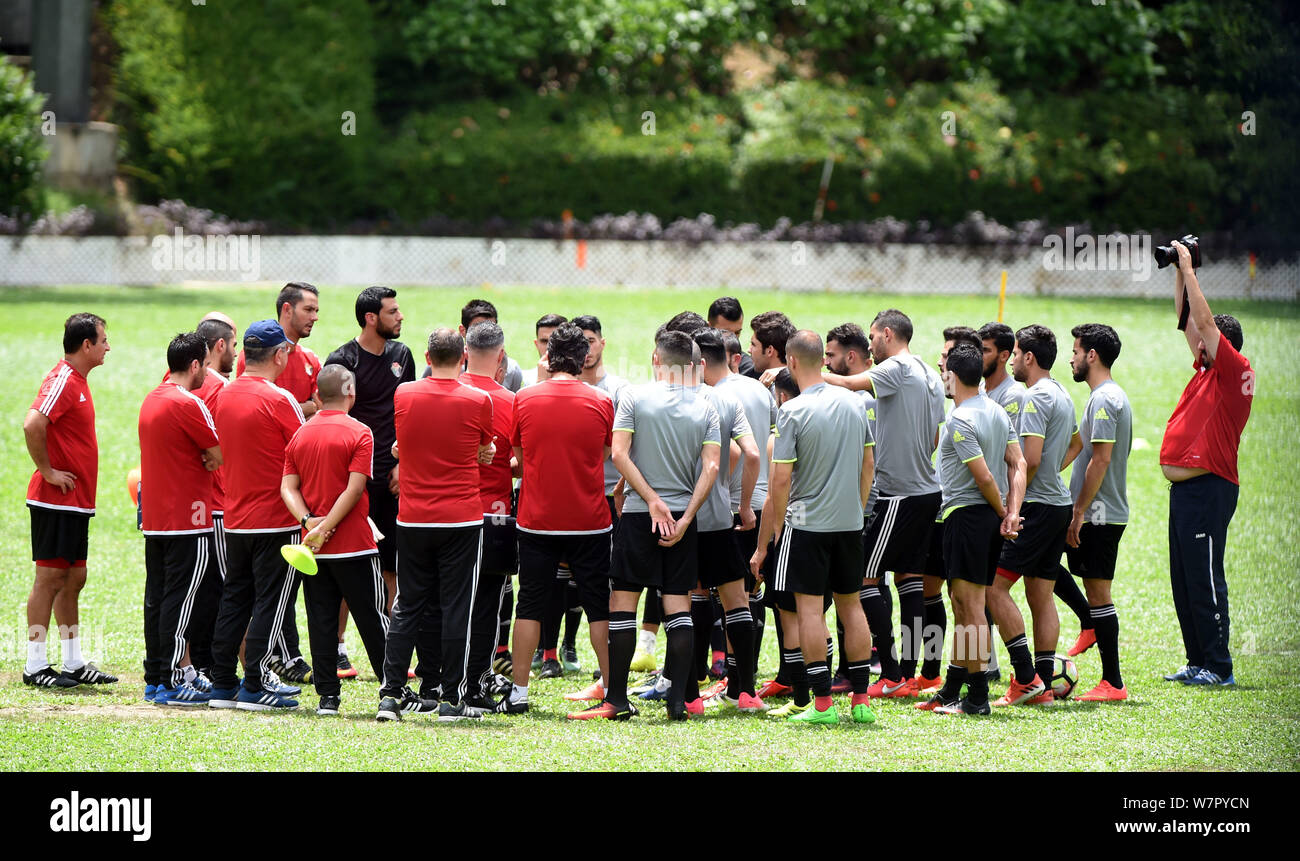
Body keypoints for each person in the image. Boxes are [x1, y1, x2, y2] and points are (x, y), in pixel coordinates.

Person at [589, 329, 721, 721]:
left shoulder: (633, 396)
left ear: (656, 359)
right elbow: (712, 466)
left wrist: (650, 500)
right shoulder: (706, 405)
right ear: (692, 363)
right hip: (682, 520)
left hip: (637, 517)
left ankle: (616, 700)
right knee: (678, 606)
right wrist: (686, 517)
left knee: (623, 605)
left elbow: (619, 454)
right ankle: (678, 703)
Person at [758, 331, 877, 725]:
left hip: (806, 525)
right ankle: (861, 701)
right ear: (822, 361)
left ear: (790, 362)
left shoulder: (791, 411)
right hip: (848, 523)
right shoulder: (855, 403)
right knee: (851, 604)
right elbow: (868, 465)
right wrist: (856, 510)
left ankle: (822, 704)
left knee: (810, 611)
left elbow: (780, 479)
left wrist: (776, 527)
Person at [825, 309, 945, 699]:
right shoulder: (928, 372)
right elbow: (934, 438)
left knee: (862, 579)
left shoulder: (898, 368)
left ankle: (891, 671)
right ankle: (910, 674)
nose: (871, 344)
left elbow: (847, 382)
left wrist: (805, 373)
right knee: (910, 581)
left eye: (874, 337)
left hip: (899, 494)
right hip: (927, 491)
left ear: (888, 334)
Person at [498, 322, 617, 715]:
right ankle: (610, 687)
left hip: (537, 520)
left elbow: (520, 455)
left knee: (529, 604)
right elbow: (603, 455)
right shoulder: (601, 402)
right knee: (599, 605)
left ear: (548, 357)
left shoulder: (524, 398)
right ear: (584, 357)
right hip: (590, 520)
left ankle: (519, 691)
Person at [379, 328, 494, 722]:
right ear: (463, 355)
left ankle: (390, 695)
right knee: (457, 608)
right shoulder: (479, 399)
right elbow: (485, 450)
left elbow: (404, 440)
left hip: (412, 517)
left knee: (407, 605)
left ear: (427, 355)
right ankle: (451, 699)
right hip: (461, 518)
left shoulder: (404, 393)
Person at [1160, 240, 1252, 687]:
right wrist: (1181, 268)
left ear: (1224, 345)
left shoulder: (1233, 371)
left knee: (1206, 579)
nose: (1196, 340)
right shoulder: (1204, 370)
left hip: (1210, 488)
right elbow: (1186, 320)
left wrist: (1192, 273)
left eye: (1206, 338)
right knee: (1185, 580)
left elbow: (1200, 319)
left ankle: (1219, 667)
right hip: (1186, 491)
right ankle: (1198, 661)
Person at [919, 343, 1026, 715]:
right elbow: (1018, 463)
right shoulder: (996, 411)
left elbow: (983, 476)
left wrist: (1005, 513)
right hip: (980, 519)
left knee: (971, 608)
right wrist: (1011, 510)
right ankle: (952, 688)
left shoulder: (960, 419)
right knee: (964, 605)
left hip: (968, 517)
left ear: (952, 375)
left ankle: (977, 696)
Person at [281, 364, 391, 716]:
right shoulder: (361, 432)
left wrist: (308, 522)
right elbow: (355, 487)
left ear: (317, 396)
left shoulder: (300, 434)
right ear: (351, 393)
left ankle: (328, 697)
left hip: (312, 550)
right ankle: (391, 690)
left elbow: (288, 486)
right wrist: (327, 525)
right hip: (354, 545)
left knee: (321, 620)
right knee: (372, 619)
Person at [207, 320, 306, 711]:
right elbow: (307, 451)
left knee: (235, 598)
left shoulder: (225, 395)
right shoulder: (280, 400)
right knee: (271, 602)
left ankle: (223, 683)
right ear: (279, 354)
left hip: (235, 517)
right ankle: (256, 683)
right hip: (276, 519)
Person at [324, 286, 415, 679]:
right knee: (350, 565)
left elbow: (406, 412)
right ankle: (339, 649)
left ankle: (394, 650)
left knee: (393, 566)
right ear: (370, 319)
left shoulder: (402, 356)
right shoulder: (343, 360)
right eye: (393, 312)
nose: (400, 318)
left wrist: (402, 462)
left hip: (393, 479)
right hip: (354, 482)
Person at [22, 313, 117, 689]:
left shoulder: (79, 381)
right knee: (49, 578)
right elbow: (33, 423)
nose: (108, 346)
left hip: (76, 501)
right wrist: (46, 471)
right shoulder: (62, 378)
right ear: (86, 345)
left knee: (74, 577)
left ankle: (74, 662)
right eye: (104, 340)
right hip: (55, 500)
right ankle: (34, 665)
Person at [986, 324, 1079, 706]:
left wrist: (1015, 504)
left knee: (992, 588)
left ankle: (1025, 678)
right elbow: (1076, 441)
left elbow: (1033, 459)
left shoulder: (1034, 397)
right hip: (1057, 505)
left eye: (1018, 352)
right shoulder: (1060, 391)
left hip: (1037, 508)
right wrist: (1054, 474)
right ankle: (1042, 681)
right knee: (1041, 594)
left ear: (1027, 356)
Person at [236, 282, 321, 683]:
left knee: (272, 586)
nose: (314, 317)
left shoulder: (311, 361)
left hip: (284, 492)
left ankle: (263, 664)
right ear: (287, 310)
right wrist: (302, 408)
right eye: (308, 309)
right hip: (267, 497)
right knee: (270, 587)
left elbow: (321, 410)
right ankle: (269, 665)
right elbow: (301, 416)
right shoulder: (253, 368)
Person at [139, 332, 222, 706]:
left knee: (157, 598)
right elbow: (217, 454)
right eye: (204, 364)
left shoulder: (150, 399)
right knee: (181, 600)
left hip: (156, 518)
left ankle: (156, 677)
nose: (207, 371)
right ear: (194, 366)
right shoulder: (189, 403)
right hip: (189, 519)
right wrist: (207, 457)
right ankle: (173, 680)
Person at [691, 328, 763, 710]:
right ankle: (746, 691)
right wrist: (742, 501)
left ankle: (689, 691)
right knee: (739, 601)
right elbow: (749, 454)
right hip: (724, 514)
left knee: (691, 597)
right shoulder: (742, 395)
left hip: (687, 515)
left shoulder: (690, 399)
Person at [1063, 323, 1133, 701]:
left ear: (1091, 355)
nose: (1071, 358)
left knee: (1099, 593)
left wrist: (1078, 512)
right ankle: (1088, 620)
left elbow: (1101, 460)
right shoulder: (1102, 396)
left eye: (1075, 351)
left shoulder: (1105, 399)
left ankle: (1114, 683)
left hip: (1100, 514)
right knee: (1035, 558)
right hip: (1095, 511)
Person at [457, 322, 521, 708]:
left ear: (465, 353)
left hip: (448, 514)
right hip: (494, 515)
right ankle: (477, 684)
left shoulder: (448, 393)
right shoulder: (511, 402)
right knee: (486, 605)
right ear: (501, 357)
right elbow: (521, 465)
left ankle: (445, 681)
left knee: (447, 601)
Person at [421, 299, 525, 391]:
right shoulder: (443, 364)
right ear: (462, 330)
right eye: (476, 328)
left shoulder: (511, 370)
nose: (484, 334)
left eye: (491, 328)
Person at [708, 296, 756, 378]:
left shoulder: (749, 369)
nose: (734, 339)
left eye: (737, 332)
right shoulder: (693, 363)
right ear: (709, 328)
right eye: (726, 333)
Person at [519, 313, 567, 387]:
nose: (549, 346)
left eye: (555, 341)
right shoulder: (525, 380)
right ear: (536, 344)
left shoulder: (581, 381)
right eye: (544, 341)